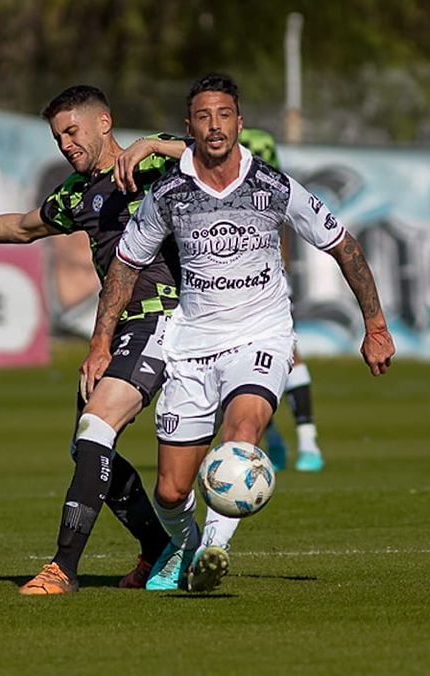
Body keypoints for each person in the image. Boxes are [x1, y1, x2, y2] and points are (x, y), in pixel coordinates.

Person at [82, 74, 394, 593]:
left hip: (260, 335)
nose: (214, 125)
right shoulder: (170, 194)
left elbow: (343, 245)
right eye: (203, 117)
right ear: (189, 128)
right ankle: (183, 548)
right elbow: (125, 265)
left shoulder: (273, 185)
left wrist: (376, 326)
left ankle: (213, 549)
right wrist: (100, 342)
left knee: (243, 434)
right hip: (192, 342)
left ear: (240, 122)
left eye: (224, 114)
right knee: (169, 491)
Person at [0, 85, 188, 595]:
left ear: (103, 123)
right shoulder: (77, 193)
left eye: (72, 131)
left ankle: (63, 568)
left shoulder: (157, 165)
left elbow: (222, 157)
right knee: (87, 444)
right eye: (57, 136)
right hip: (118, 327)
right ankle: (159, 548)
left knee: (95, 429)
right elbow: (22, 228)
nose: (65, 144)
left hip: (166, 318)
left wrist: (152, 145)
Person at [239, 127, 325, 473]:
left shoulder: (272, 187)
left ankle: (308, 442)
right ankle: (274, 440)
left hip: (265, 285)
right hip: (224, 291)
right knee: (244, 367)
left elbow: (282, 233)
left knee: (288, 354)